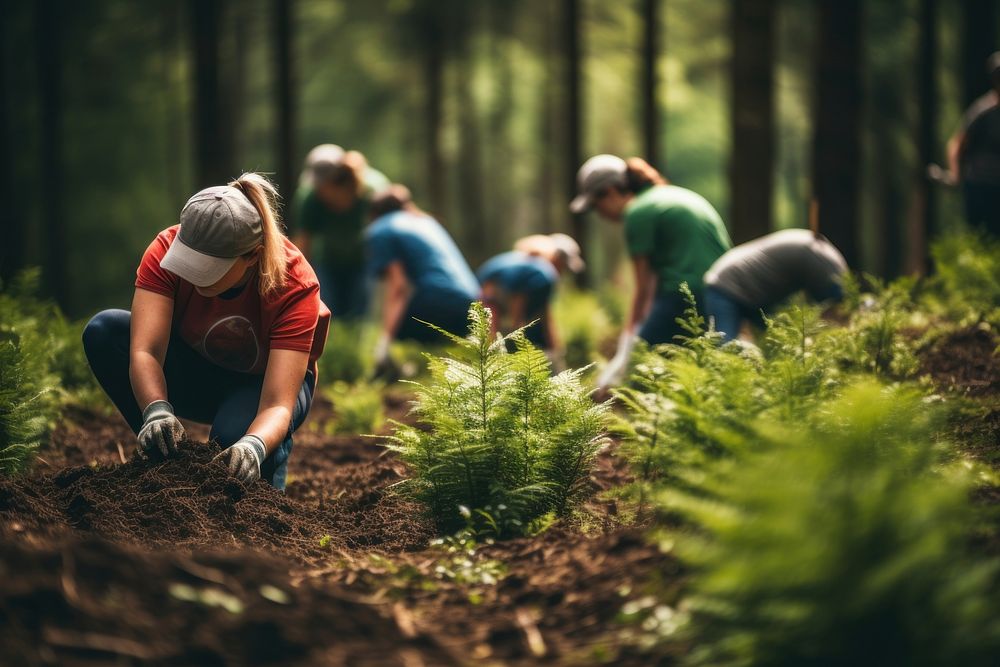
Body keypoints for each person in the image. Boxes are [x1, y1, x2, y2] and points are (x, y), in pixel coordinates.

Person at [83, 173, 331, 490]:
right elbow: (145, 351)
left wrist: (253, 445)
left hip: (261, 384)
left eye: (208, 268)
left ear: (252, 256)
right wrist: (156, 410)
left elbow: (276, 404)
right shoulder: (164, 249)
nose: (193, 275)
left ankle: (269, 459)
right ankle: (166, 459)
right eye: (188, 261)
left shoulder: (294, 284)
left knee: (230, 449)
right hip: (198, 366)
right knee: (105, 331)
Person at [569, 154, 732, 391]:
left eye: (596, 205)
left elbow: (643, 289)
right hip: (723, 290)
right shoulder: (672, 195)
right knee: (701, 368)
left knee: (641, 371)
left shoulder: (637, 213)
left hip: (683, 292)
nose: (600, 215)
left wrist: (625, 352)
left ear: (612, 191)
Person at [365, 185, 480, 373]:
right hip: (471, 303)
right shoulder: (427, 221)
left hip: (438, 302)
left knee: (396, 326)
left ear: (374, 213)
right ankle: (425, 369)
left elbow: (398, 287)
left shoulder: (380, 229)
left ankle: (398, 368)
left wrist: (384, 342)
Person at [291, 144, 390, 318]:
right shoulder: (309, 197)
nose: (319, 190)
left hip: (364, 261)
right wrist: (301, 282)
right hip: (328, 261)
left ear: (339, 179)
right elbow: (304, 241)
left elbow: (389, 231)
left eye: (323, 185)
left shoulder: (373, 191)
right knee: (329, 311)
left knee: (359, 312)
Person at [703, 228, 848, 343]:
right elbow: (834, 312)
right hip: (726, 286)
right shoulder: (825, 267)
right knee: (725, 347)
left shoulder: (823, 258)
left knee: (777, 344)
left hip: (752, 292)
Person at [477, 233, 585, 362]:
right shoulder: (544, 273)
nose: (562, 272)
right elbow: (518, 300)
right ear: (556, 259)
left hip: (482, 296)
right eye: (563, 266)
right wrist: (517, 333)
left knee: (488, 349)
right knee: (495, 351)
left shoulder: (522, 261)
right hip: (490, 299)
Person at [946, 52, 1000, 237]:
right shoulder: (982, 111)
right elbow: (957, 144)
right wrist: (955, 175)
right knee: (980, 238)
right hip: (980, 186)